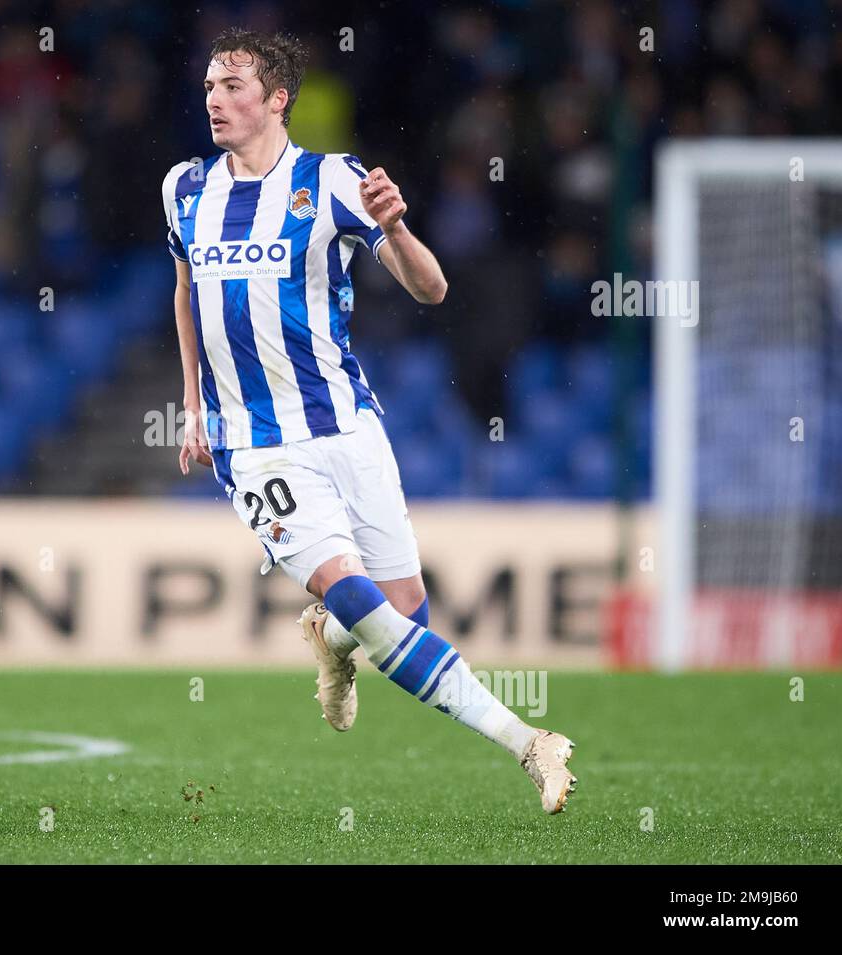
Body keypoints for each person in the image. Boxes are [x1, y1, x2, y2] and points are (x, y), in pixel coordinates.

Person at [164, 28, 577, 813]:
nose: (214, 99)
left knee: (402, 612)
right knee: (361, 601)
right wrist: (192, 402)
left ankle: (332, 645)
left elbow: (433, 290)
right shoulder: (184, 187)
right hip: (255, 446)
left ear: (277, 98)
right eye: (210, 86)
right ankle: (529, 741)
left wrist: (394, 229)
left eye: (233, 86)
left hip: (347, 424)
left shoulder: (333, 182)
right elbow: (185, 292)